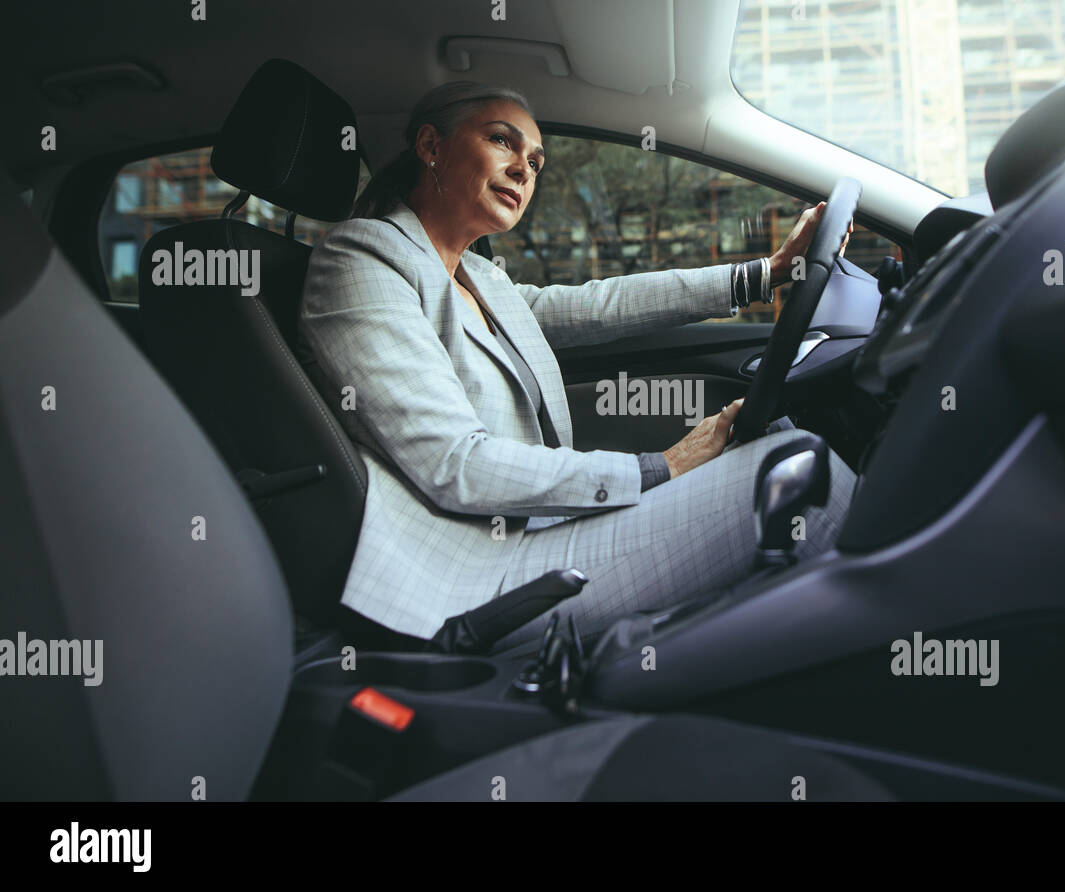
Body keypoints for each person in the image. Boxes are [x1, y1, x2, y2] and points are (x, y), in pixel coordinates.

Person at [299, 81, 858, 653]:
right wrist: (658, 467)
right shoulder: (362, 259)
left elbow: (602, 304)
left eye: (536, 162)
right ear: (431, 146)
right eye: (502, 142)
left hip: (535, 530)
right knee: (801, 476)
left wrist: (764, 274)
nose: (523, 170)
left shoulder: (480, 277)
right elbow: (452, 463)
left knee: (775, 443)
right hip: (469, 575)